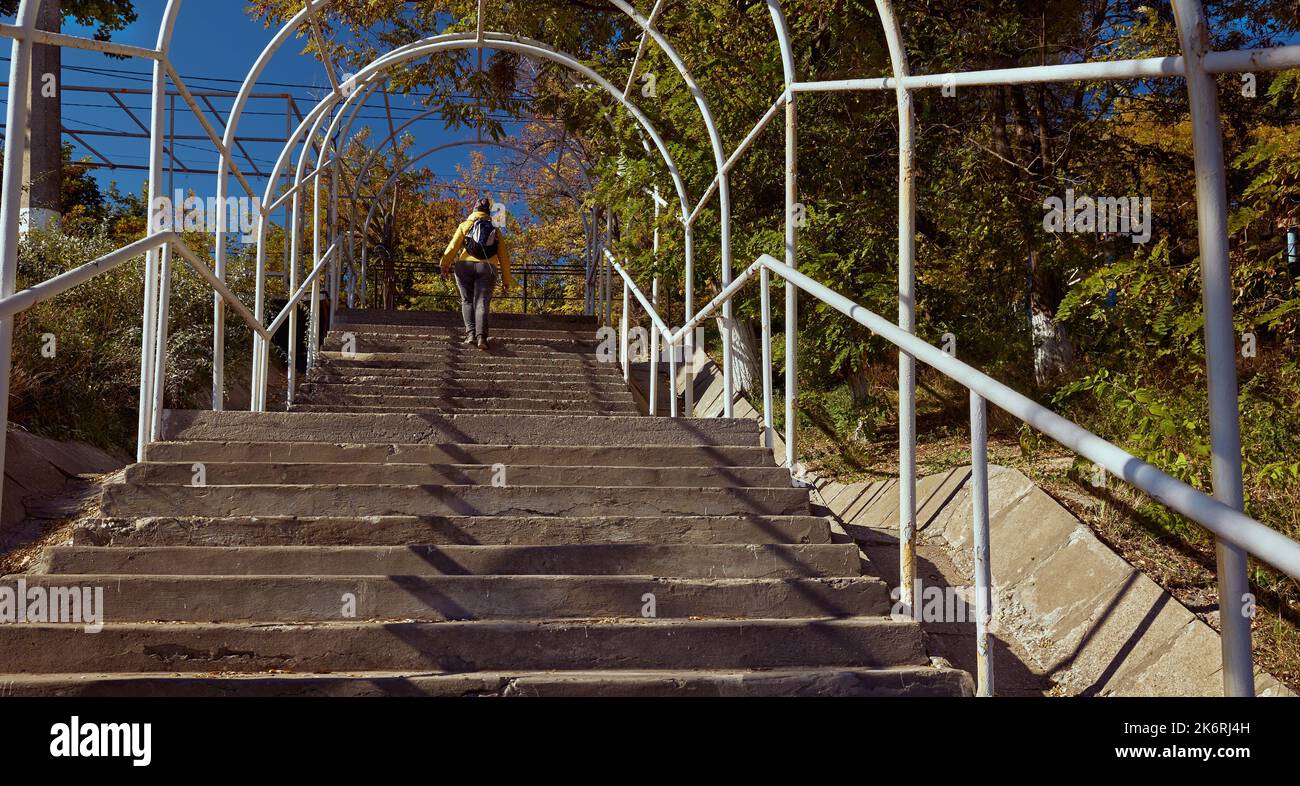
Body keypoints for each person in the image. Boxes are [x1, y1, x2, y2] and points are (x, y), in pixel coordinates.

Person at [441, 197, 513, 348]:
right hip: (488, 268)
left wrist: (444, 264)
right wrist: (506, 280)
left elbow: (453, 247)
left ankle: (470, 335)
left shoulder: (465, 225)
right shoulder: (496, 229)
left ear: (474, 210)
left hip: (464, 265)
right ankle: (482, 338)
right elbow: (504, 257)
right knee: (482, 302)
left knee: (467, 300)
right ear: (489, 212)